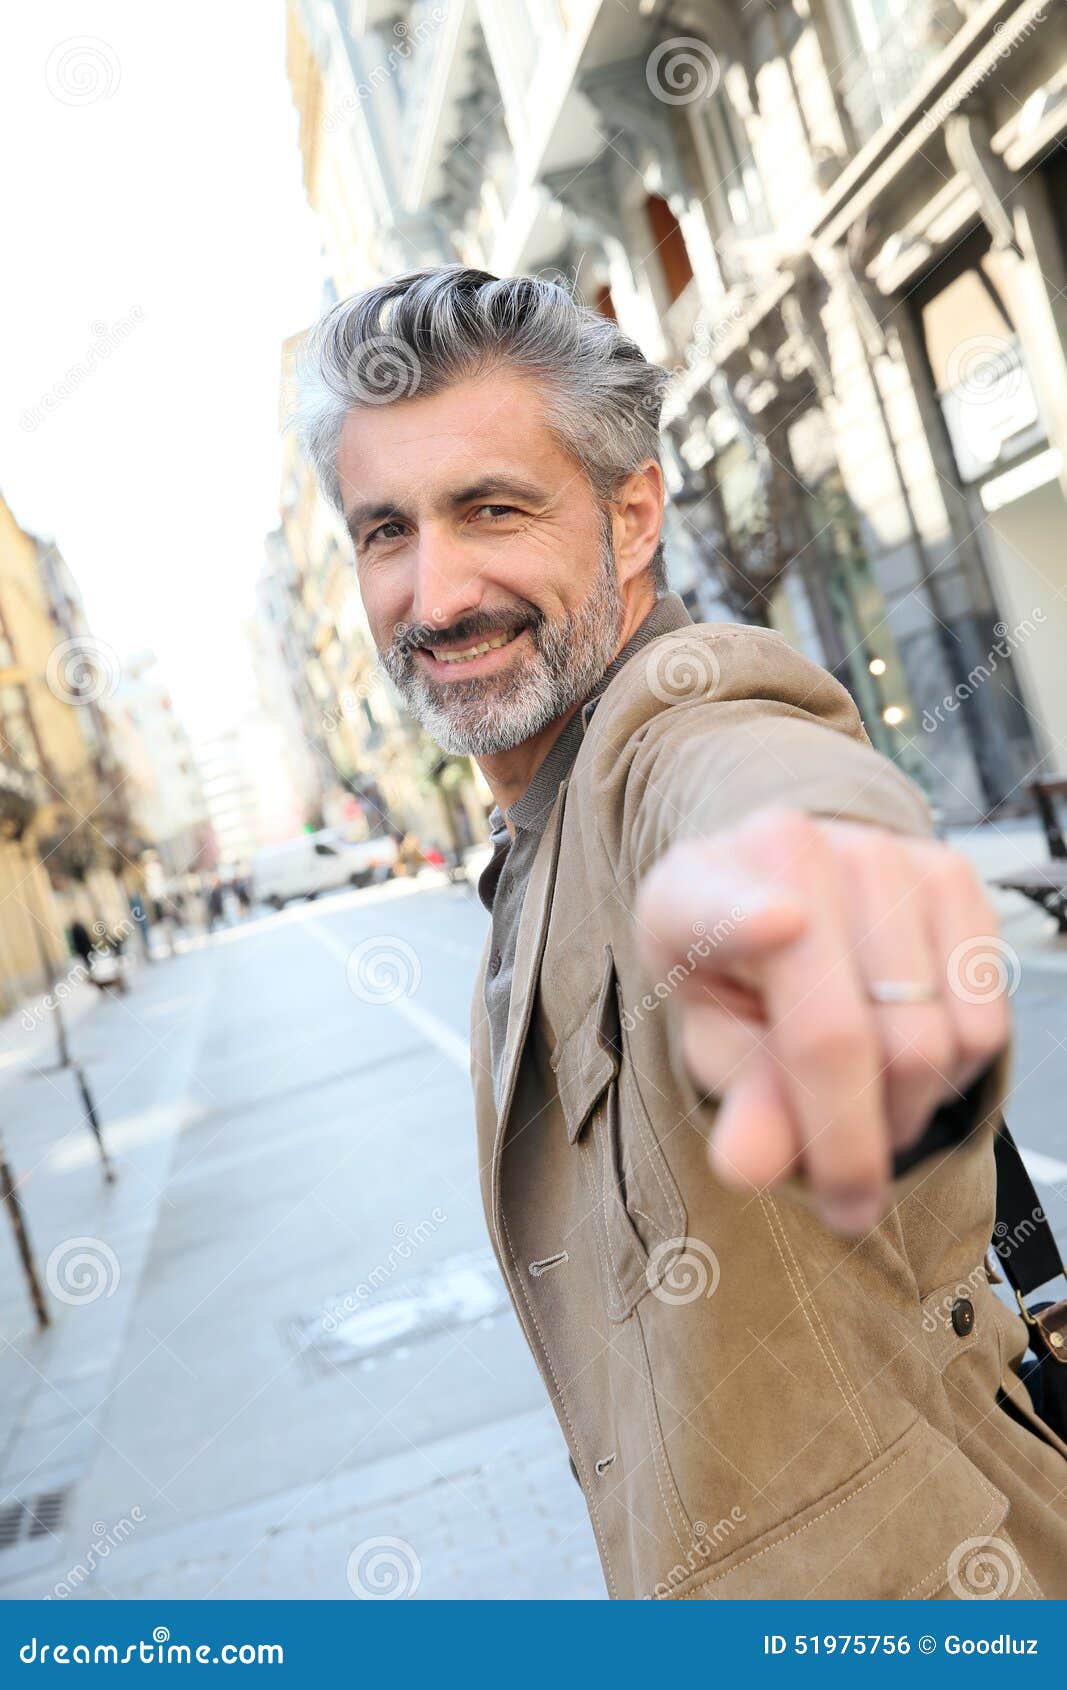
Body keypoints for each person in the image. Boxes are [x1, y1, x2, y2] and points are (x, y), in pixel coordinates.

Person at [296, 266, 1067, 1600]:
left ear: (633, 512)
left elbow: (755, 786)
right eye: (385, 530)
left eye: (493, 507)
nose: (436, 591)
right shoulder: (533, 839)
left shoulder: (677, 729)